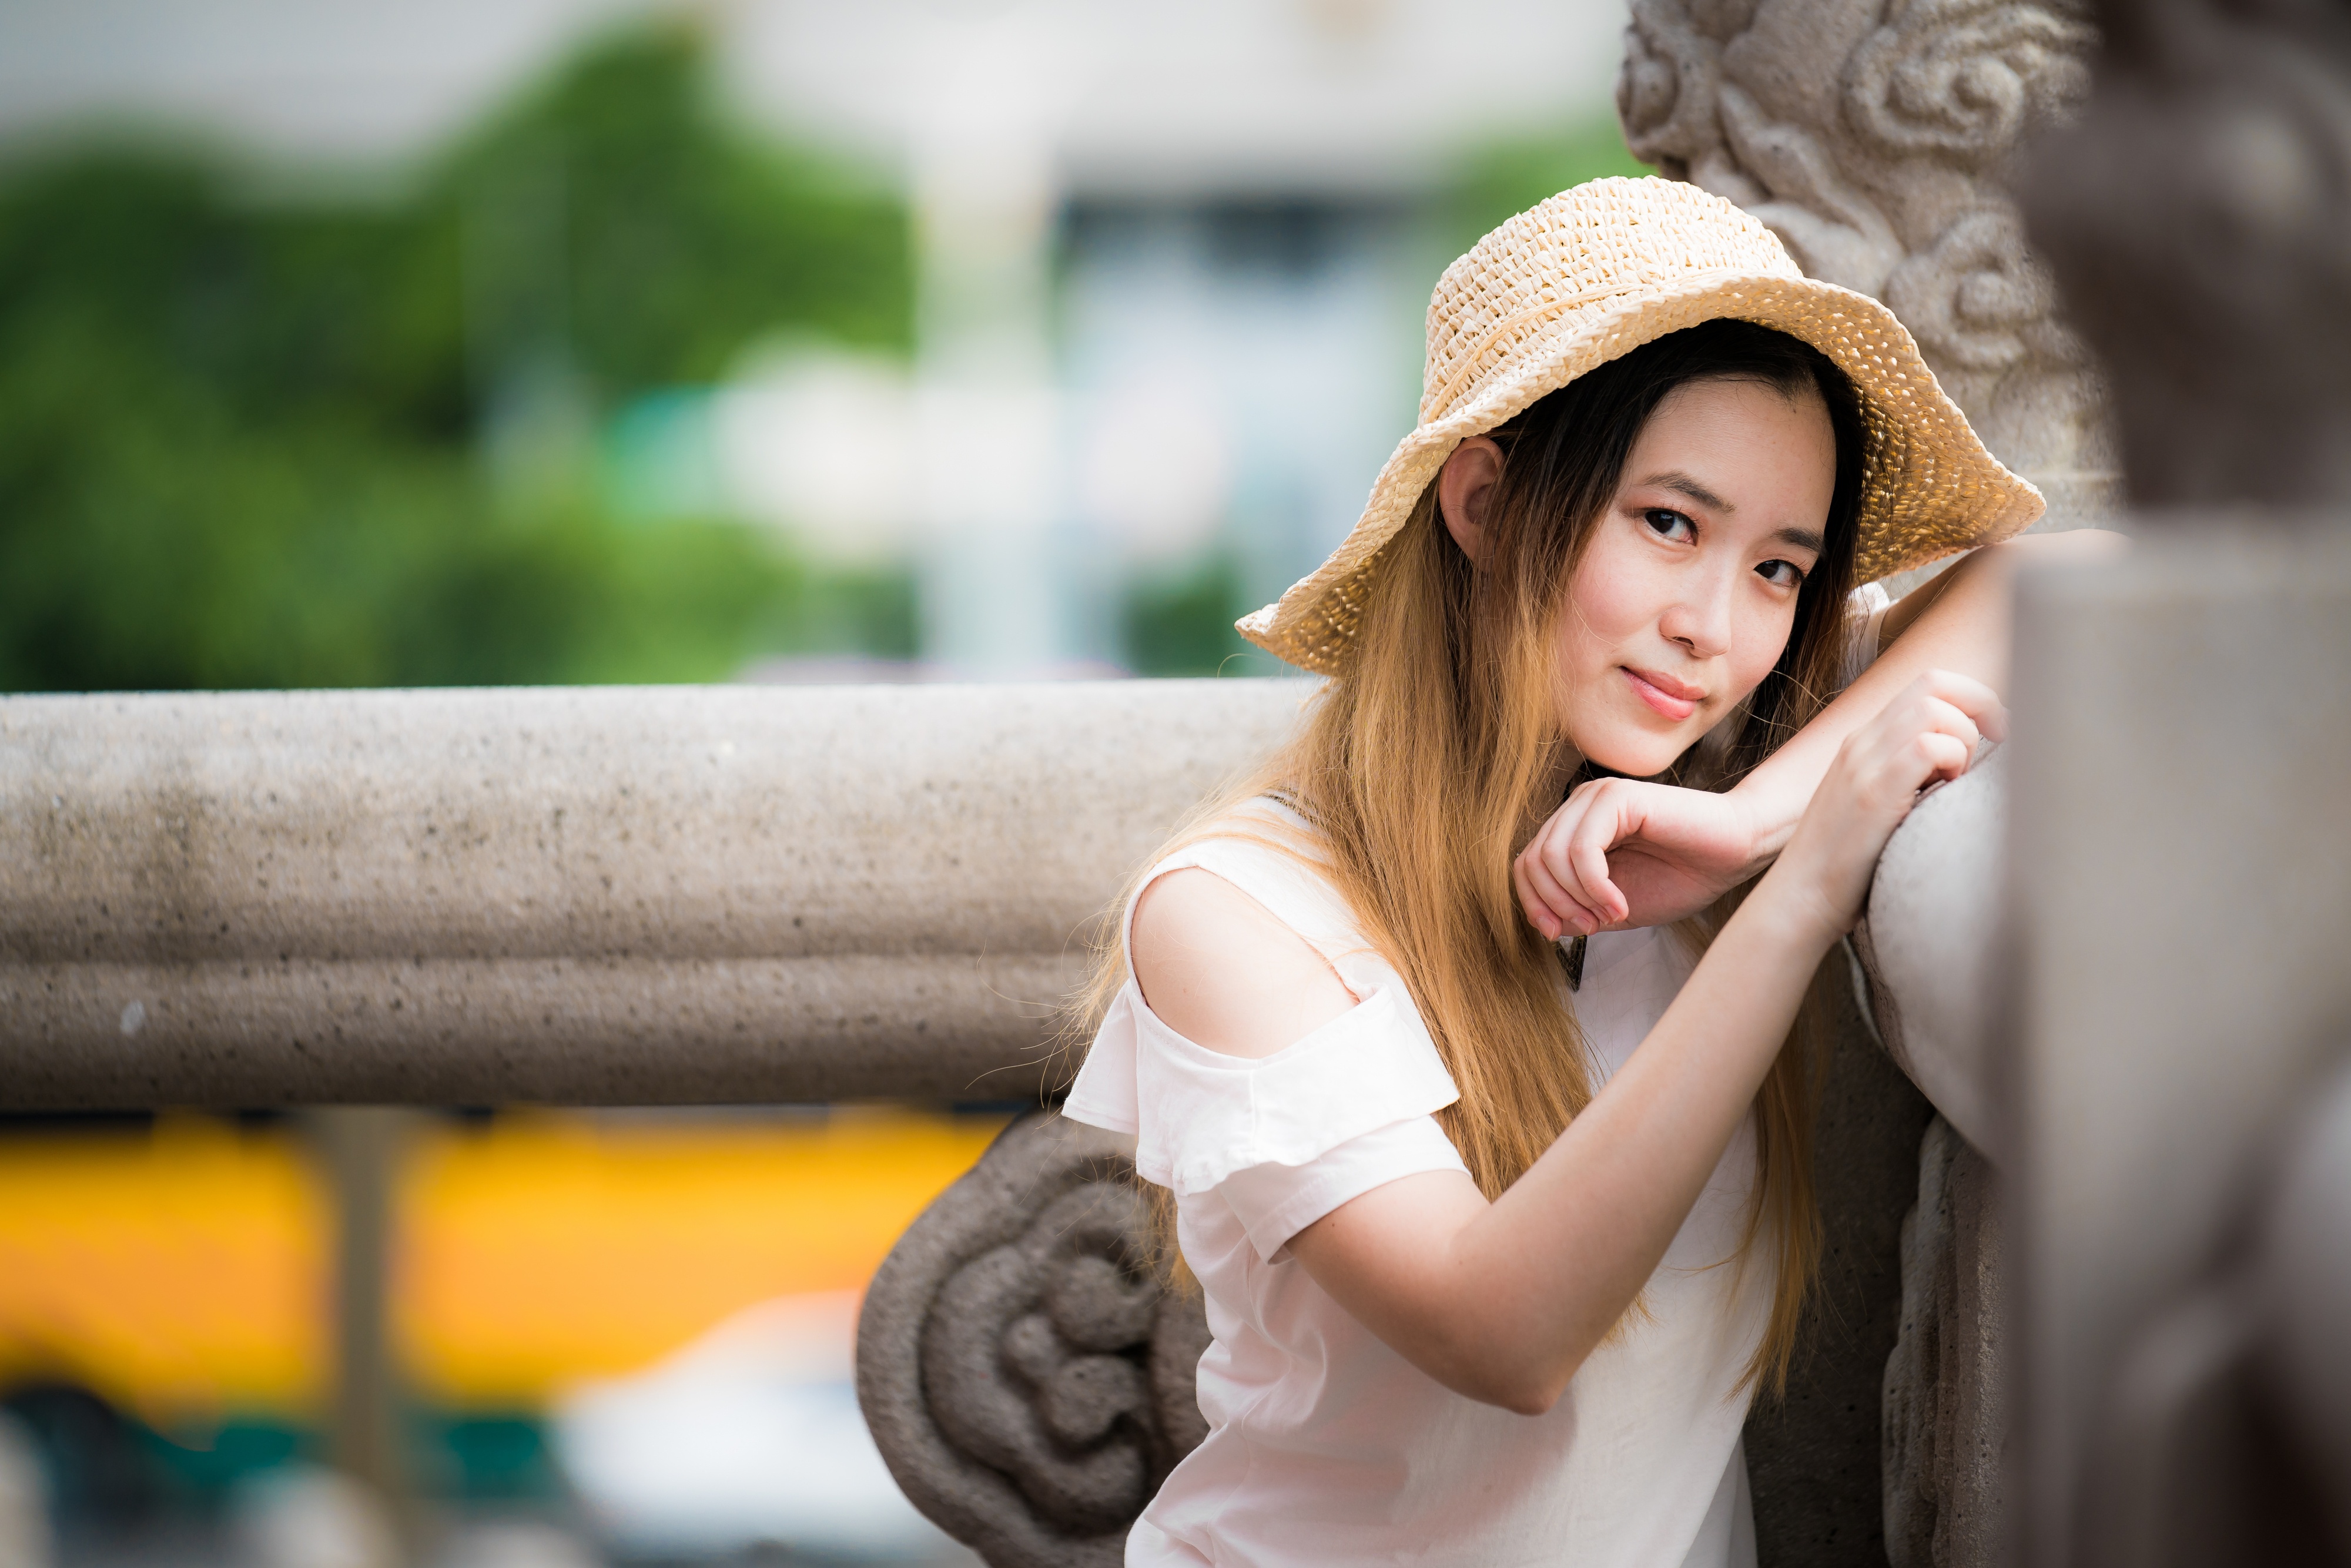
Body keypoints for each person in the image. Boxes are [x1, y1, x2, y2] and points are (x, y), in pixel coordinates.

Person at [1061, 177, 2099, 1567]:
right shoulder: (1235, 912)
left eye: (1779, 568)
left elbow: (2071, 583)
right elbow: (1502, 1331)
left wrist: (1745, 827)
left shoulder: (1689, 805)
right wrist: (1798, 886)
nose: (1712, 630)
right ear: (1484, 499)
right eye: (1667, 523)